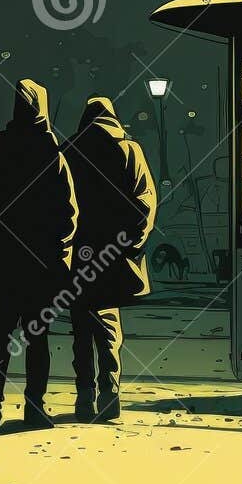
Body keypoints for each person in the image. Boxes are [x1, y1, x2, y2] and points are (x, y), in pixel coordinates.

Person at [0, 79, 77, 429]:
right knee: (37, 337)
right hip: (42, 266)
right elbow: (68, 214)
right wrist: (58, 252)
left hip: (3, 265)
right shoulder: (54, 160)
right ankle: (35, 408)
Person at [62, 96, 157, 422]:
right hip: (113, 251)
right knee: (108, 325)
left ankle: (84, 396)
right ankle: (110, 393)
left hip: (79, 251)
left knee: (81, 327)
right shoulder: (130, 150)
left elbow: (58, 204)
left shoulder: (68, 152)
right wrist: (133, 242)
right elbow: (145, 201)